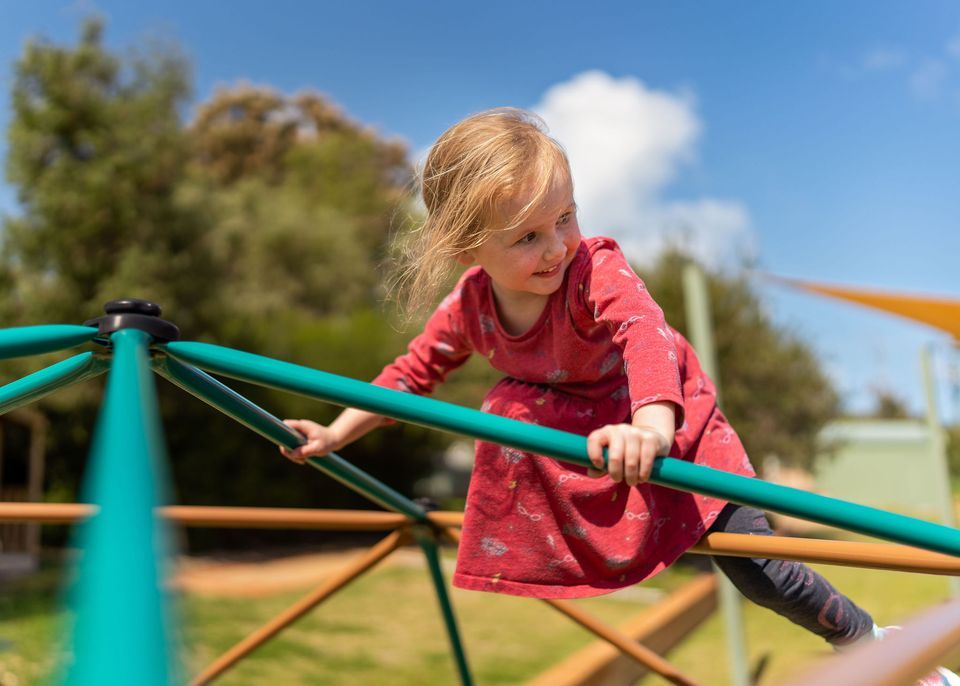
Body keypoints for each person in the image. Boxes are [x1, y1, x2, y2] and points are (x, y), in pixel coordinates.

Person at [281, 108, 959, 684]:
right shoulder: (471, 307)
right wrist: (337, 434)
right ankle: (569, 547)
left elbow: (645, 334)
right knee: (505, 408)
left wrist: (653, 428)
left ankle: (888, 652)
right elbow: (411, 374)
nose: (556, 246)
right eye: (528, 237)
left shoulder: (592, 268)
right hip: (593, 447)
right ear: (467, 247)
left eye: (565, 218)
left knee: (759, 568)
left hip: (666, 418)